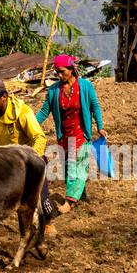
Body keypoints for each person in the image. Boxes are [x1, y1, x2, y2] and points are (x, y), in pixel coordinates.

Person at [0, 78, 66, 219]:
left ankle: (49, 221)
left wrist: (31, 160)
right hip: (8, 162)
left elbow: (39, 137)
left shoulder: (22, 112)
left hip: (30, 160)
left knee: (41, 201)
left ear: (4, 97)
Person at [35, 55, 106, 209]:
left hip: (81, 133)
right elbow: (44, 111)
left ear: (71, 69)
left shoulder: (85, 86)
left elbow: (95, 106)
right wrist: (30, 125)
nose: (59, 75)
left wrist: (100, 126)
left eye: (62, 72)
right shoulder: (54, 90)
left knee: (77, 165)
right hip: (64, 136)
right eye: (57, 73)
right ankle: (81, 195)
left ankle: (70, 202)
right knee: (68, 167)